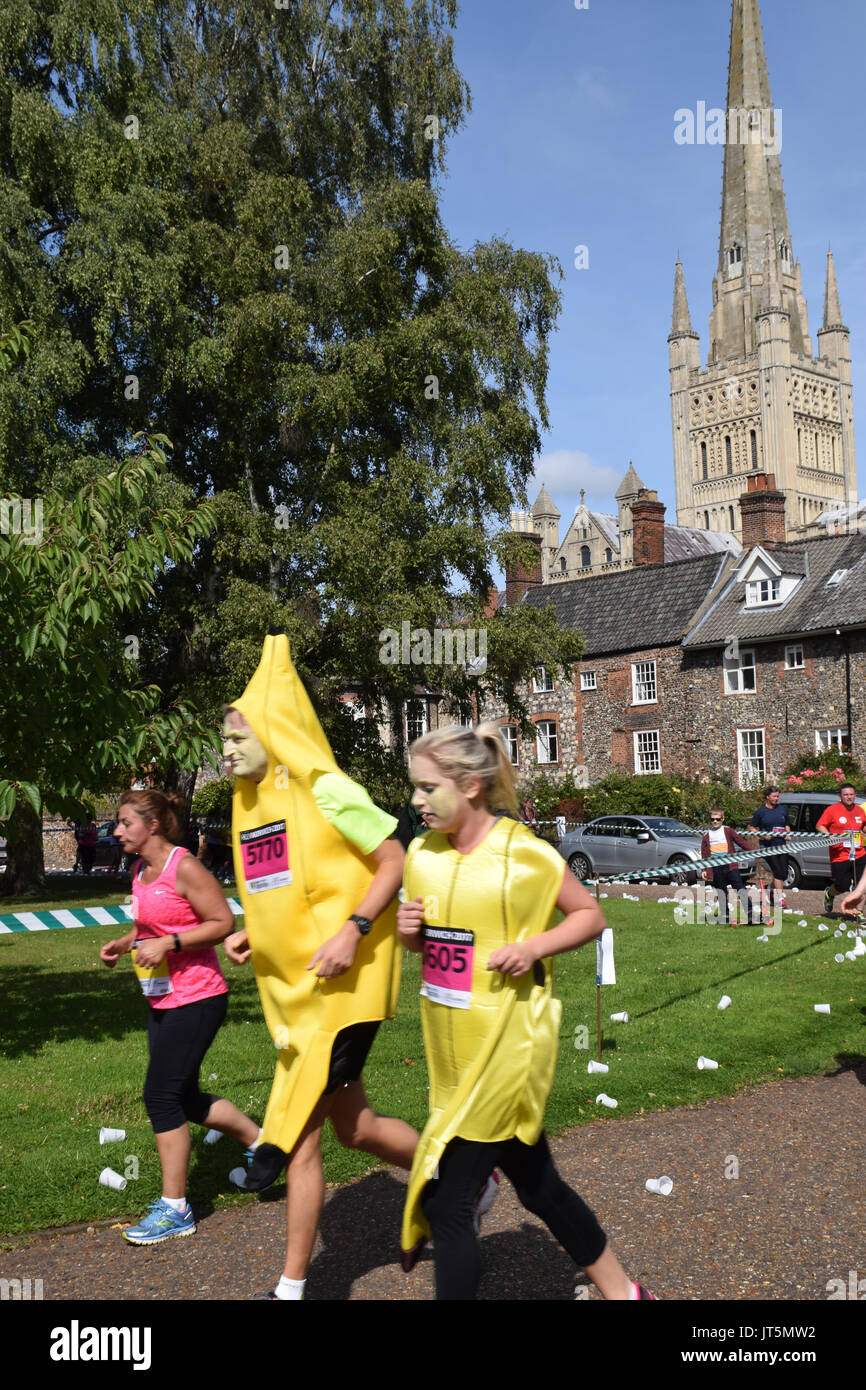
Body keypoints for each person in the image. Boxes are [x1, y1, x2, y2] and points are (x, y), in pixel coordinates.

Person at [397, 723, 654, 1301]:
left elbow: (589, 916)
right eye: (414, 787)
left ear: (469, 785)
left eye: (427, 787)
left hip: (509, 1048)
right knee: (539, 1189)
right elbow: (431, 949)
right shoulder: (421, 855)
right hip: (452, 1058)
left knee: (449, 1203)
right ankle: (626, 1294)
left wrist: (532, 947)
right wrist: (407, 933)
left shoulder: (525, 856)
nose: (416, 800)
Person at [221, 631, 418, 1301]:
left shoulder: (327, 789)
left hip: (343, 987)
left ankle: (294, 1286)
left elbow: (393, 856)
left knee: (300, 1134)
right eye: (223, 739)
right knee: (353, 1127)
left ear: (275, 734)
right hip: (297, 993)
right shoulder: (251, 805)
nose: (226, 750)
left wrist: (354, 929)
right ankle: (466, 1178)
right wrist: (255, 930)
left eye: (237, 736)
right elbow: (284, 883)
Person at [99, 790, 263, 1245]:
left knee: (160, 1096)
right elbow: (152, 923)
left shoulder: (183, 866)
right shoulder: (142, 869)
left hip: (199, 997)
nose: (117, 830)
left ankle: (176, 1209)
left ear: (153, 825)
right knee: (184, 1097)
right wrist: (124, 942)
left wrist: (169, 945)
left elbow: (221, 922)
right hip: (163, 998)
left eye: (126, 822)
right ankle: (261, 1144)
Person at [816, 783, 866, 916]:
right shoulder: (832, 810)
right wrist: (829, 835)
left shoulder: (860, 811)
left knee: (861, 886)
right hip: (839, 855)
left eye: (851, 794)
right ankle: (829, 893)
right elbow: (820, 825)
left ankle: (858, 912)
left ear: (855, 795)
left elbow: (863, 826)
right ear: (840, 796)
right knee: (842, 886)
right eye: (846, 794)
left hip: (859, 853)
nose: (849, 797)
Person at [700, 809, 754, 925]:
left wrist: (754, 852)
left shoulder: (728, 831)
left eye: (718, 819)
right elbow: (704, 854)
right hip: (716, 867)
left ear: (722, 819)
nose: (715, 821)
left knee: (740, 888)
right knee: (721, 891)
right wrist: (704, 869)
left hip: (730, 865)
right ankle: (725, 915)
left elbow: (741, 842)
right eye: (712, 819)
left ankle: (750, 913)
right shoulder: (706, 836)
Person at [746, 786, 791, 910]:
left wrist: (788, 834)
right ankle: (780, 899)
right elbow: (751, 827)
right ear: (767, 797)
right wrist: (763, 835)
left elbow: (787, 824)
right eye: (774, 796)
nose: (776, 798)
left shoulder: (782, 809)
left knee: (783, 873)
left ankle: (770, 890)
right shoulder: (761, 811)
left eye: (778, 796)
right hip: (768, 847)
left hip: (782, 845)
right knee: (777, 872)